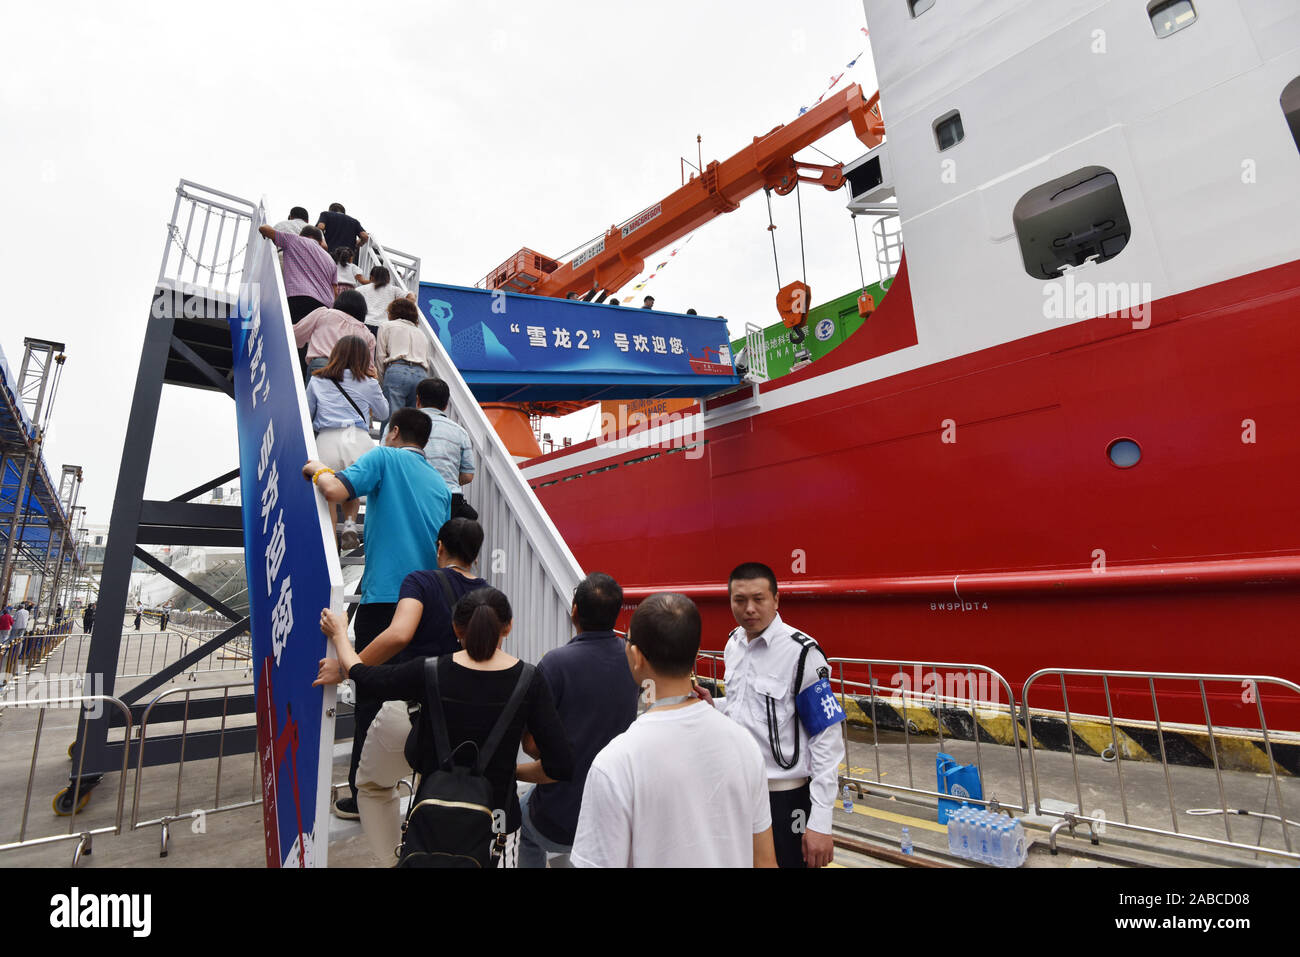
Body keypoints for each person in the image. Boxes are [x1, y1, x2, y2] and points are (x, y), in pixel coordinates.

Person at [317, 586, 574, 867]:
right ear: (508, 627)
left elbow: (364, 677)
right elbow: (561, 765)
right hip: (497, 827)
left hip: (432, 825)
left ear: (456, 628)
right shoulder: (529, 680)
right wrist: (511, 772)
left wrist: (341, 635)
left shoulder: (429, 671)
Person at [303, 407, 451, 819]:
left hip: (385, 597)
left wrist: (317, 468)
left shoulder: (385, 457)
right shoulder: (439, 484)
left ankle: (363, 795)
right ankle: (416, 788)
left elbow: (334, 491)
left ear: (395, 431)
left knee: (371, 697)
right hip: (425, 599)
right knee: (416, 700)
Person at [314, 518, 489, 865]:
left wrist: (346, 659)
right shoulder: (489, 595)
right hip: (467, 720)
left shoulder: (421, 581)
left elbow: (398, 635)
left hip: (412, 713)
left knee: (374, 786)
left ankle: (397, 860)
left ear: (439, 547)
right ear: (476, 553)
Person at [571, 592, 776, 868]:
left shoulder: (615, 763)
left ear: (636, 656)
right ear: (696, 652)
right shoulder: (744, 744)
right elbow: (765, 862)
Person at [711, 562, 845, 868]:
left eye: (758, 599)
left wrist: (821, 822)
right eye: (739, 600)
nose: (749, 609)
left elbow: (827, 739)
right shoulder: (734, 644)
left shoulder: (802, 654)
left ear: (776, 599)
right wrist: (712, 705)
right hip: (737, 792)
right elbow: (743, 708)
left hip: (783, 799)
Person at [518, 572, 638, 868]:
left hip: (561, 818)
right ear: (617, 613)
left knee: (523, 821)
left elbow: (533, 746)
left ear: (574, 610)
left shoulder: (554, 663)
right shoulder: (635, 659)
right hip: (614, 814)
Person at [306, 336, 389, 548]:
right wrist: (375, 382)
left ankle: (331, 544)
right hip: (357, 438)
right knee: (351, 484)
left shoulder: (317, 379)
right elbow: (383, 412)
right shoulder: (368, 382)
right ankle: (351, 522)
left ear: (335, 354)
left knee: (328, 495)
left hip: (327, 438)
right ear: (364, 358)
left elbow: (307, 412)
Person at [414, 377, 476, 521]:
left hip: (412, 496)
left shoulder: (400, 426)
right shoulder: (460, 432)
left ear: (418, 400)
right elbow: (468, 475)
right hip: (449, 498)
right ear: (446, 405)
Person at [257, 223, 337, 323]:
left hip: (300, 298)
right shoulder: (331, 260)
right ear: (321, 241)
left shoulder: (294, 240)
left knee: (294, 335)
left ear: (301, 235)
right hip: (325, 308)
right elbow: (335, 292)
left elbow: (264, 228)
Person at [377, 299, 434, 434]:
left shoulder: (387, 326)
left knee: (392, 419)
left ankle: (387, 452)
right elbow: (427, 360)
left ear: (392, 312)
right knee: (412, 422)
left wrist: (381, 382)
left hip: (397, 369)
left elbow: (380, 357)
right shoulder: (421, 333)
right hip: (421, 374)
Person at [293, 290, 377, 376]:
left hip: (321, 365)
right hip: (350, 374)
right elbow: (369, 368)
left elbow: (296, 334)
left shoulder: (324, 313)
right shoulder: (367, 333)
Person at [356, 266, 414, 336]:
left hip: (365, 324)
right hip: (385, 326)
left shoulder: (360, 289)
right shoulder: (394, 289)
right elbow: (410, 297)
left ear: (371, 277)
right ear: (388, 278)